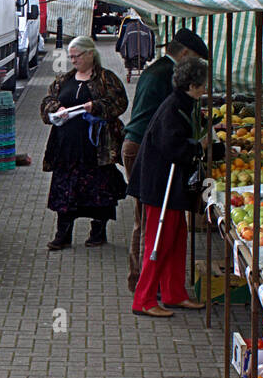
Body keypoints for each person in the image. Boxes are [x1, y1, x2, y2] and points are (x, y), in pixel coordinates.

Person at [122, 27, 210, 288]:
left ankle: (155, 282)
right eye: (194, 58)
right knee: (149, 218)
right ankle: (142, 281)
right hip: (143, 149)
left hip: (145, 146)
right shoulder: (164, 74)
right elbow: (165, 123)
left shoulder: (159, 69)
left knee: (150, 217)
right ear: (183, 53)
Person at [39, 35, 129, 249]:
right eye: (70, 57)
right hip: (66, 148)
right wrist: (55, 108)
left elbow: (119, 103)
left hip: (96, 148)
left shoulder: (107, 78)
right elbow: (47, 100)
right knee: (65, 192)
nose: (73, 60)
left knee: (98, 192)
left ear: (90, 54)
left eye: (77, 56)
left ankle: (98, 232)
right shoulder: (65, 79)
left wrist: (95, 106)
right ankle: (62, 235)